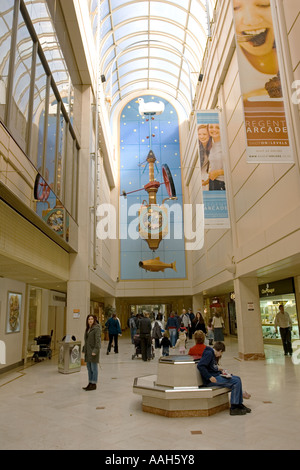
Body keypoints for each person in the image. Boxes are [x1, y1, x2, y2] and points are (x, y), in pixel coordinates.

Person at [197, 342, 251, 416]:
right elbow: (200, 366)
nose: (221, 355)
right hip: (212, 380)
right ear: (220, 351)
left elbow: (211, 367)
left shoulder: (211, 354)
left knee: (238, 378)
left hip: (215, 376)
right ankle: (234, 407)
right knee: (235, 382)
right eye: (221, 353)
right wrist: (209, 377)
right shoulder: (209, 353)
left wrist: (221, 370)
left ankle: (239, 403)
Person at [82, 315, 101, 391]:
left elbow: (98, 341)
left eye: (91, 319)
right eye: (89, 319)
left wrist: (95, 350)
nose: (90, 320)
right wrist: (84, 349)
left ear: (94, 320)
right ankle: (90, 382)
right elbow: (86, 341)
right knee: (89, 368)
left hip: (93, 351)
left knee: (94, 368)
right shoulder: (88, 329)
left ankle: (94, 383)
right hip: (88, 351)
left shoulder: (96, 328)